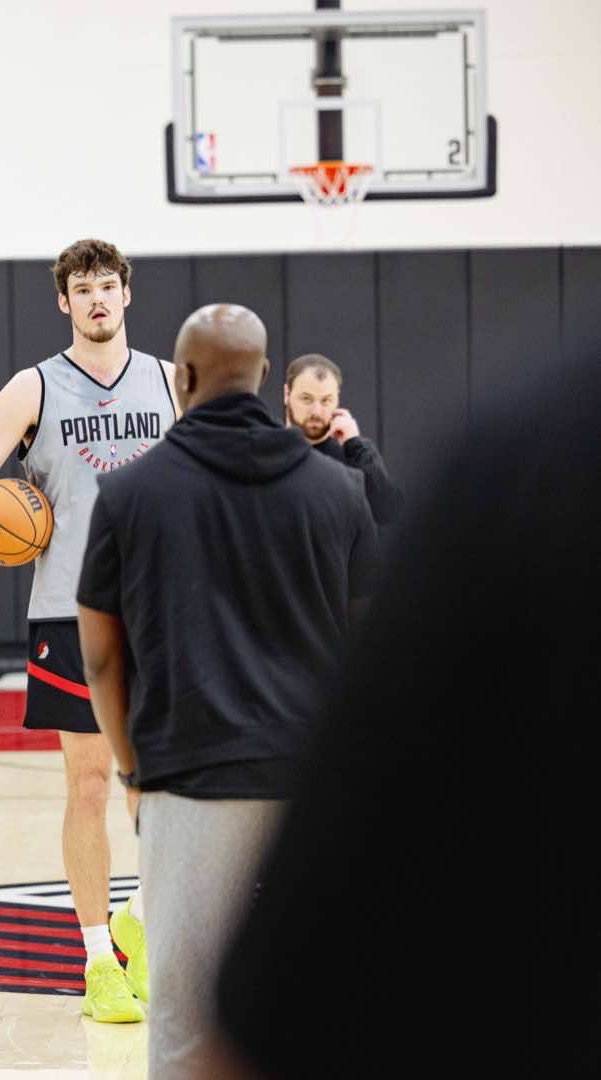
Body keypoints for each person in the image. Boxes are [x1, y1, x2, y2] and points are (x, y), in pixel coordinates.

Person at [216, 357, 601, 1078]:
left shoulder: (355, 457)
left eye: (328, 397)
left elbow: (394, 514)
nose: (318, 408)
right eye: (307, 397)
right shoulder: (265, 460)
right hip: (278, 643)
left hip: (336, 647)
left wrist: (359, 449)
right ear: (285, 397)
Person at [75, 304, 376, 1078]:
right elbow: (367, 647)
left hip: (187, 778)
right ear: (269, 379)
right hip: (308, 787)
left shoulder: (130, 494)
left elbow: (102, 657)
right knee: (309, 1010)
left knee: (181, 1021)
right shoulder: (339, 494)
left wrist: (131, 767)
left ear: (181, 378)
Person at [0, 238, 176, 1022]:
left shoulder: (172, 383)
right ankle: (96, 959)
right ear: (64, 302)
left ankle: (139, 917)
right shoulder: (32, 388)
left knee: (168, 787)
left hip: (162, 609)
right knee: (88, 785)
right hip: (69, 612)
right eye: (84, 288)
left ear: (127, 296)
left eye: (109, 285)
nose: (99, 298)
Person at [283, 353, 402, 525]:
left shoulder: (356, 452)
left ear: (337, 399)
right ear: (287, 394)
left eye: (326, 400)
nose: (316, 411)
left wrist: (354, 445)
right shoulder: (269, 449)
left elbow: (386, 514)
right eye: (306, 399)